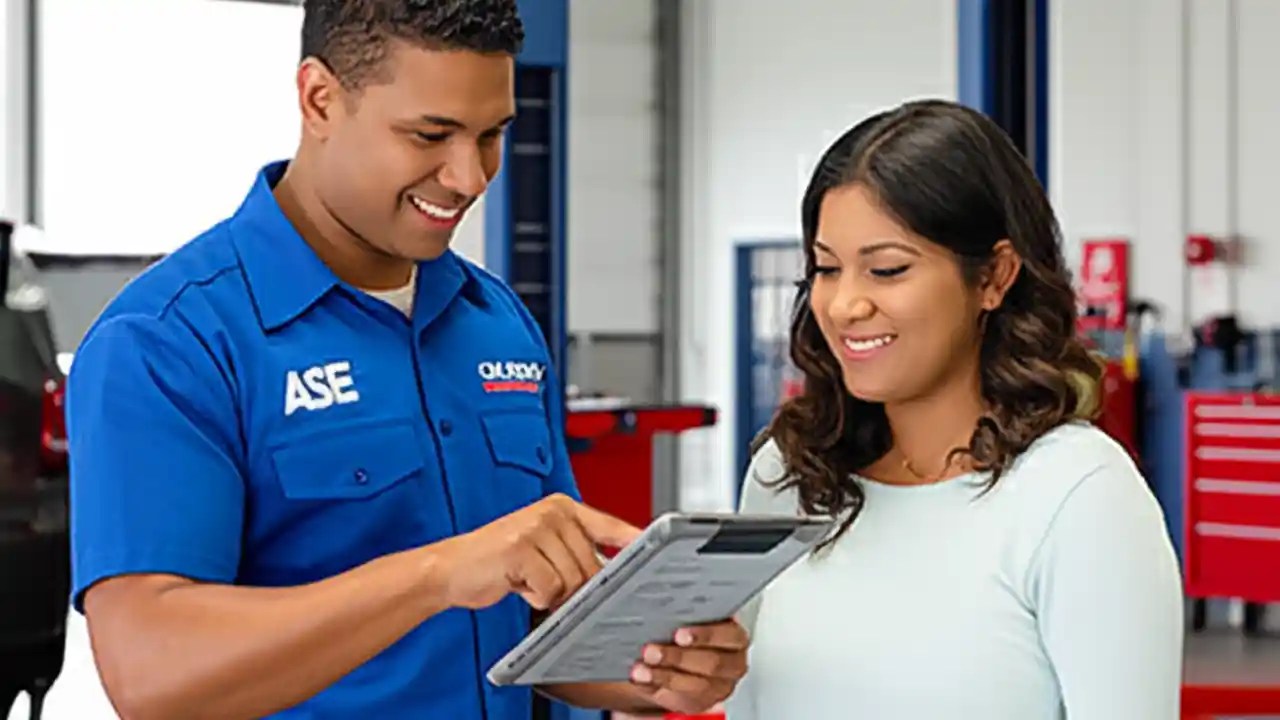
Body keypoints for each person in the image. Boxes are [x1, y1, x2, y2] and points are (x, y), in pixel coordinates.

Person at [64, 2, 748, 718]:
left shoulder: (499, 325)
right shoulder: (171, 341)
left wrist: (655, 665)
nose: (468, 175)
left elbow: (538, 628)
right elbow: (150, 675)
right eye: (431, 135)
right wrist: (437, 575)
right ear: (319, 98)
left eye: (492, 135)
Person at [724, 100, 1184, 719]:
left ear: (994, 276)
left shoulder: (1077, 495)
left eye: (887, 269)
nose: (843, 306)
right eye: (827, 269)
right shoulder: (792, 475)